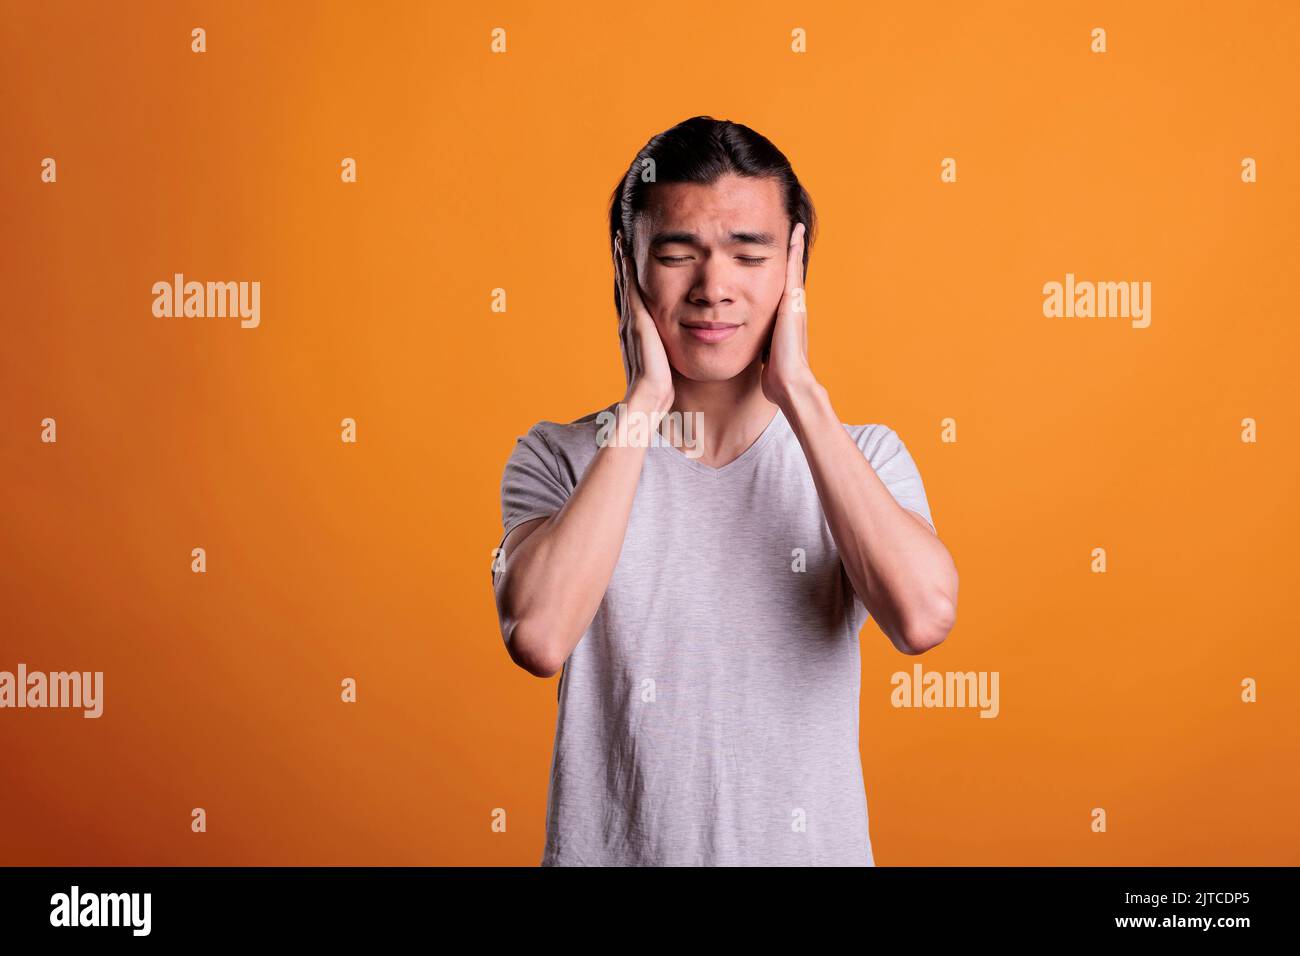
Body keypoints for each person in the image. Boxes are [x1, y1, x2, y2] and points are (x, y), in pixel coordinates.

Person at [491, 116, 959, 866]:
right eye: (677, 255)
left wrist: (800, 392)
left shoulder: (861, 455)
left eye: (750, 255)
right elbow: (539, 637)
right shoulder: (561, 457)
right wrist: (644, 405)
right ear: (627, 270)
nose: (715, 289)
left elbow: (924, 617)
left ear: (794, 270)